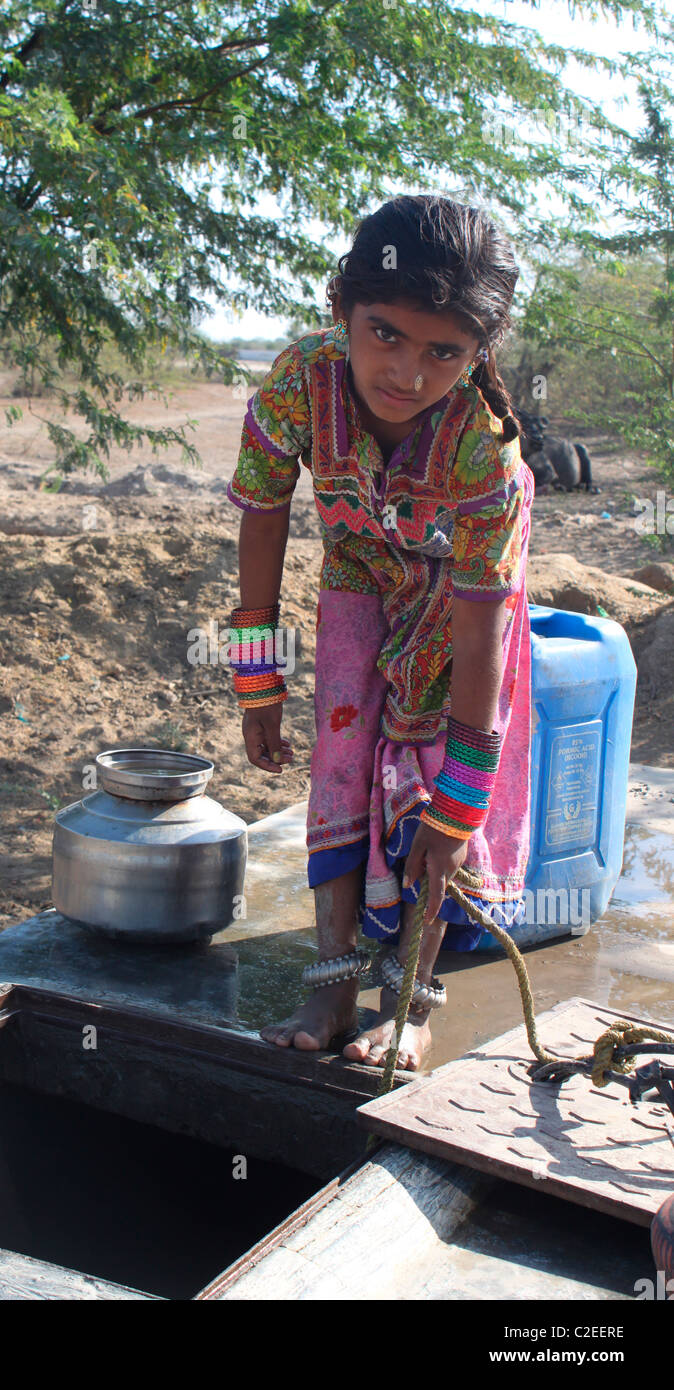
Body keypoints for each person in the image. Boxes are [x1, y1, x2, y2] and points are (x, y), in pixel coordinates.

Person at [226, 194, 534, 1071]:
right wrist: (258, 677)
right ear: (342, 310)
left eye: (446, 352)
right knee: (341, 759)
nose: (409, 371)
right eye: (385, 334)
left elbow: (483, 634)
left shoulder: (485, 452)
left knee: (433, 781)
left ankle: (411, 1003)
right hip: (358, 573)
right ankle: (330, 986)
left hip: (461, 599)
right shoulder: (301, 381)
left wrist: (466, 791)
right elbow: (262, 514)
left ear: (480, 353)